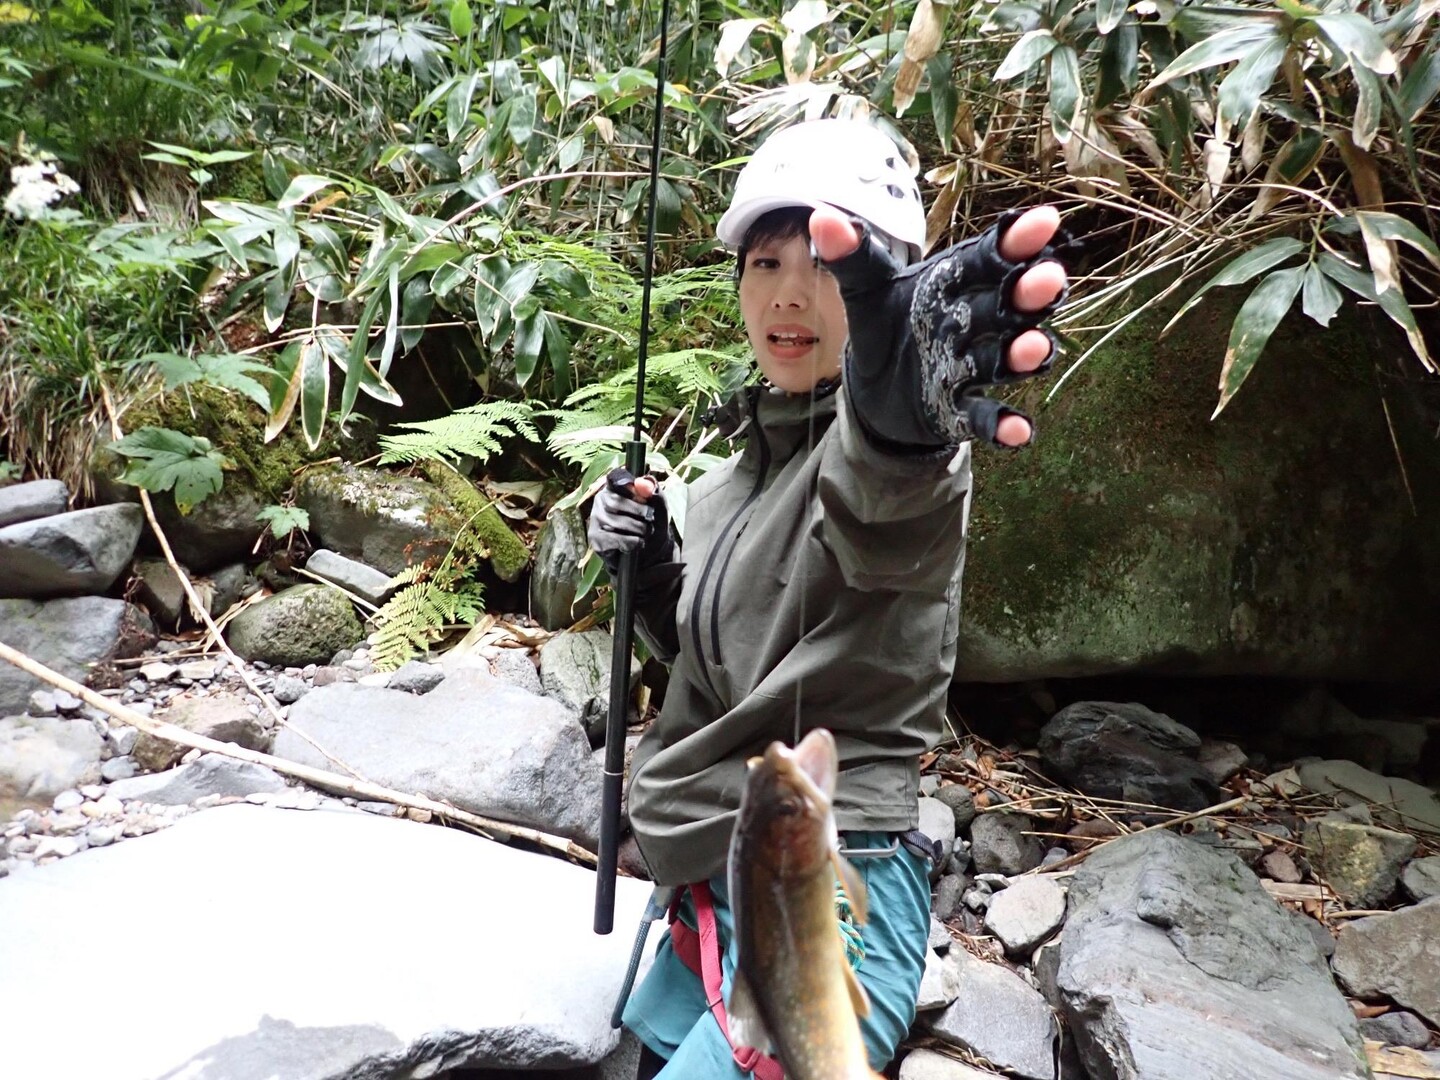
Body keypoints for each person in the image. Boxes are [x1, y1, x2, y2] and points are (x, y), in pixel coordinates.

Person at [586, 118, 1069, 1079]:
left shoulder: (892, 452)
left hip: (831, 889)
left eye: (826, 266)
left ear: (885, 296)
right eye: (765, 262)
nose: (791, 291)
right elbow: (723, 667)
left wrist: (904, 420)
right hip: (714, 876)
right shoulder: (731, 483)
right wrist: (654, 576)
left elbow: (883, 499)